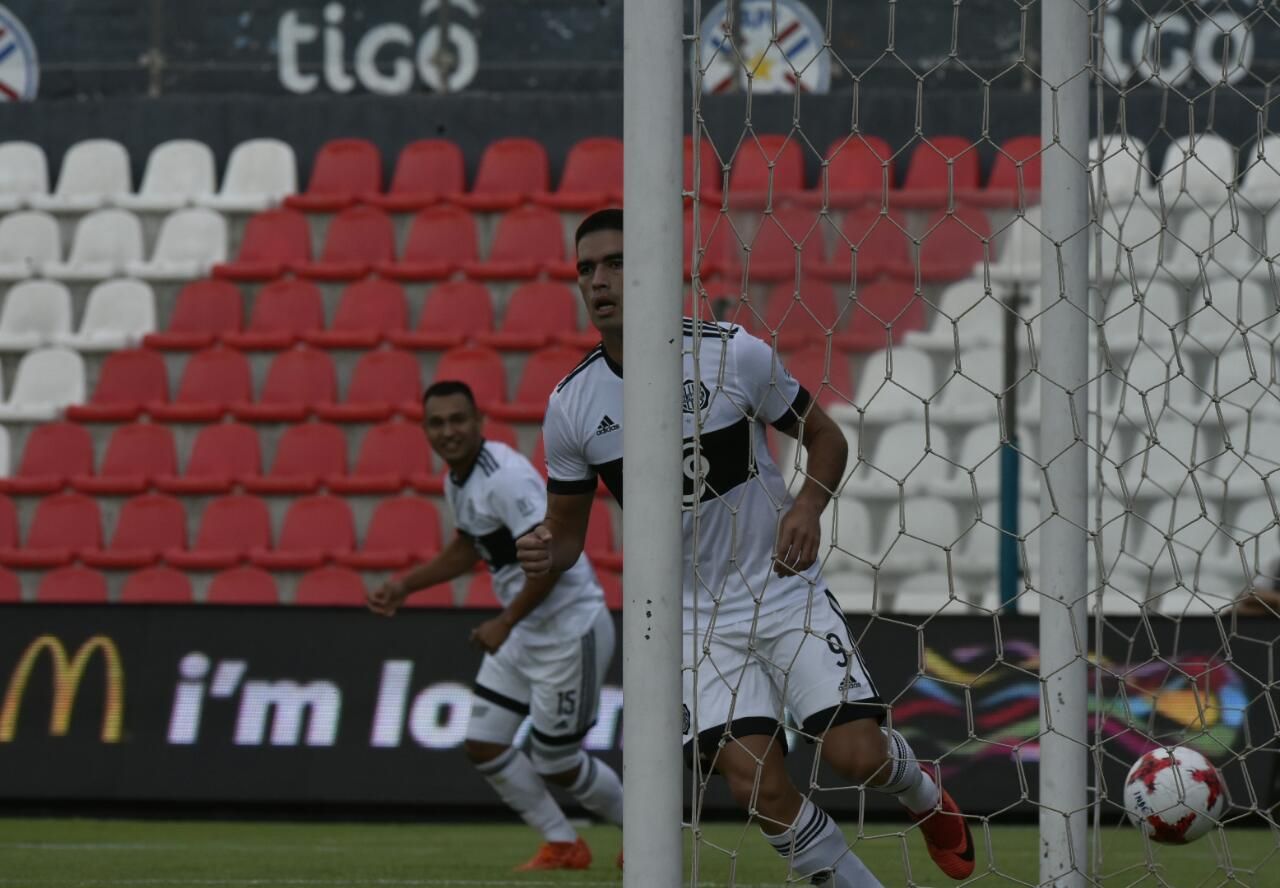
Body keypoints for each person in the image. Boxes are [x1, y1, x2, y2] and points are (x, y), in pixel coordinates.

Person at [517, 208, 974, 886]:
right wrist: (541, 548)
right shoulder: (573, 405)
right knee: (757, 788)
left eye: (615, 263)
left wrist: (810, 507)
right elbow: (568, 536)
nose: (600, 280)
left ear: (650, 270)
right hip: (689, 620)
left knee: (855, 755)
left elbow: (827, 436)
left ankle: (924, 798)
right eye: (587, 269)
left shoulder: (732, 353)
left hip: (782, 589)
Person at [367, 380, 622, 872]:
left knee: (557, 761)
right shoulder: (458, 479)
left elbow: (548, 559)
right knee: (483, 743)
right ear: (426, 431)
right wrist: (405, 586)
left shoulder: (505, 477)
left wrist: (504, 622)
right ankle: (564, 845)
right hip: (526, 631)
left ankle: (649, 836)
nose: (449, 431)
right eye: (437, 423)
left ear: (479, 422)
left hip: (569, 631)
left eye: (458, 419)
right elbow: (469, 547)